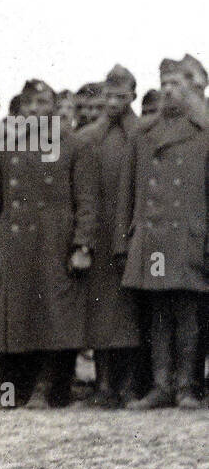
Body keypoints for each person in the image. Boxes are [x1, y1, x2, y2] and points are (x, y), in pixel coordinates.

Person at [0, 79, 98, 408]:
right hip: (10, 241)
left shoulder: (73, 145)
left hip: (52, 242)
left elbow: (86, 202)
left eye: (42, 103)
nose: (35, 110)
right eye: (28, 104)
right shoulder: (5, 144)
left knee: (51, 316)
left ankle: (43, 389)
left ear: (54, 108)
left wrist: (82, 245)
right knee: (2, 317)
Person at [114, 60, 209, 408]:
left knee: (187, 312)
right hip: (153, 239)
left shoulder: (203, 131)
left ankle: (185, 386)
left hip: (188, 236)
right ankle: (160, 385)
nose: (168, 89)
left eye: (175, 83)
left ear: (189, 88)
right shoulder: (144, 133)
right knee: (157, 311)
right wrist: (123, 241)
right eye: (164, 83)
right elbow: (129, 190)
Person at [77, 65, 141, 405]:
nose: (114, 102)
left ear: (132, 95)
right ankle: (103, 385)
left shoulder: (142, 133)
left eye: (121, 96)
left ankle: (130, 384)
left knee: (131, 313)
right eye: (109, 96)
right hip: (100, 236)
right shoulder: (89, 137)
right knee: (101, 313)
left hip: (131, 233)